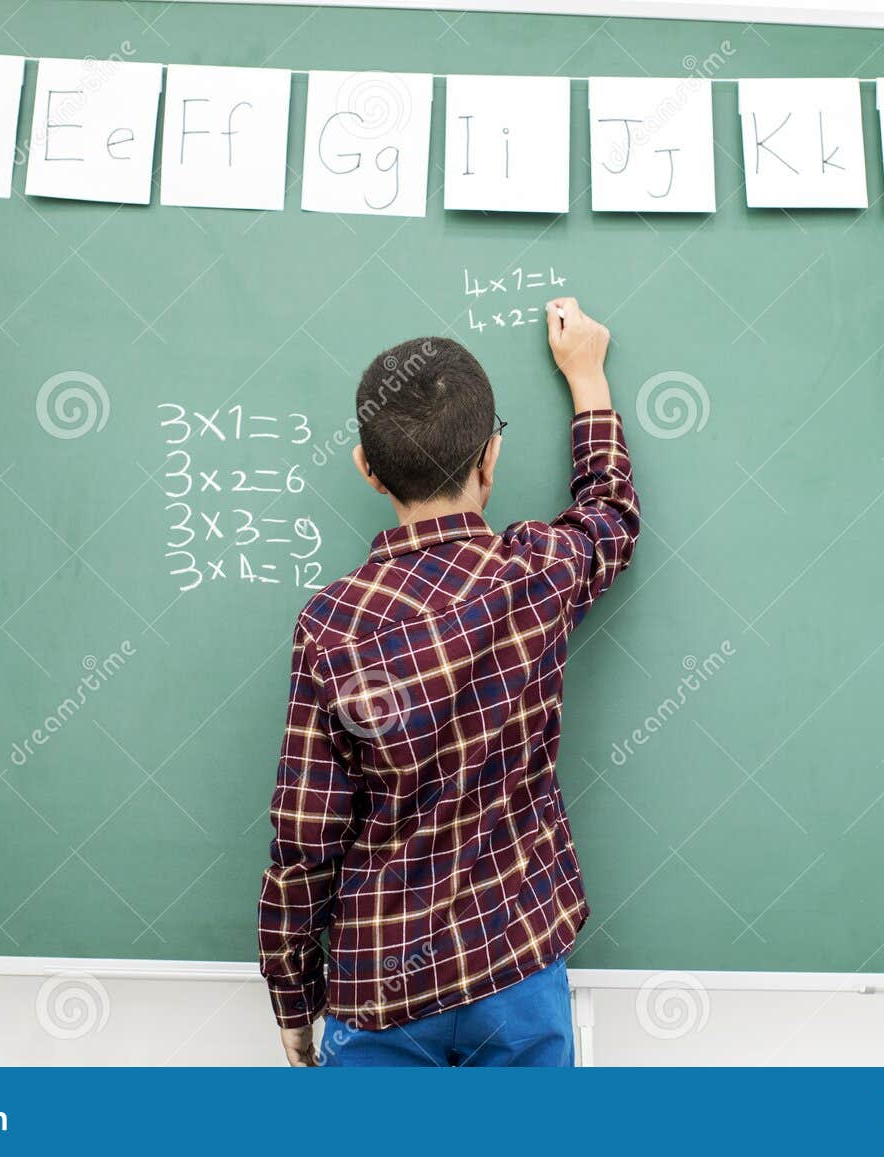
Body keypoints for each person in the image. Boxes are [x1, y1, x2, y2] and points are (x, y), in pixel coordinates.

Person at [257, 298, 640, 1066]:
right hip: (516, 963)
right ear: (490, 461)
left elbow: (305, 841)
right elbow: (610, 513)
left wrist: (293, 1001)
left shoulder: (333, 626)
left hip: (381, 987)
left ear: (367, 471)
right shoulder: (537, 573)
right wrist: (588, 377)